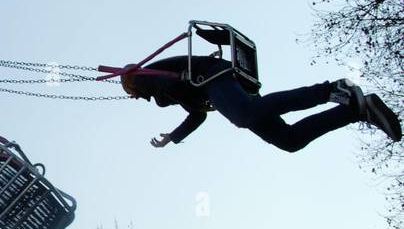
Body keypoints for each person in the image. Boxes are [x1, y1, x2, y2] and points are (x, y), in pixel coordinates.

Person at [120, 58, 400, 151]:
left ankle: (334, 90)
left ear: (130, 85)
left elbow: (173, 90)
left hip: (213, 78)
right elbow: (198, 116)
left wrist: (173, 100)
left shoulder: (143, 79)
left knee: (243, 115)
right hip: (218, 85)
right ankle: (358, 110)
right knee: (287, 140)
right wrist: (174, 136)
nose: (133, 96)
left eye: (130, 93)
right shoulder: (152, 79)